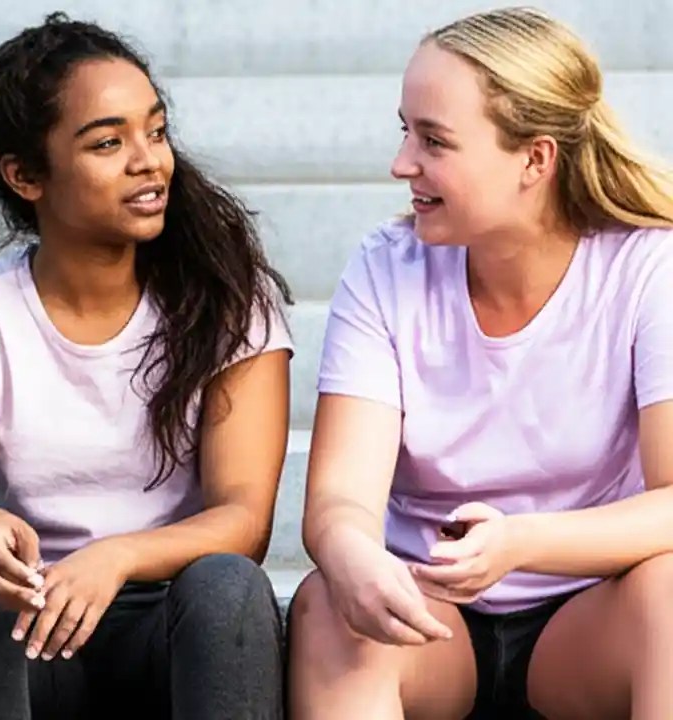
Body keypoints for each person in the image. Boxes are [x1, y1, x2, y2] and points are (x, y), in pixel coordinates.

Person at [0, 13, 293, 720]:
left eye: (157, 129)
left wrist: (116, 556)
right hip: (37, 625)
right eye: (109, 143)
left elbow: (245, 520)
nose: (149, 160)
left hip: (171, 622)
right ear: (25, 176)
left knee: (229, 586)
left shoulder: (230, 300)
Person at [288, 7, 673, 719]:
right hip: (432, 625)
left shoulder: (648, 268)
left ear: (535, 159)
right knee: (330, 606)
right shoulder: (385, 268)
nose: (401, 163)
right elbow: (339, 499)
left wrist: (523, 541)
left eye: (433, 140)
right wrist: (350, 555)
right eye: (404, 130)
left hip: (588, 620)